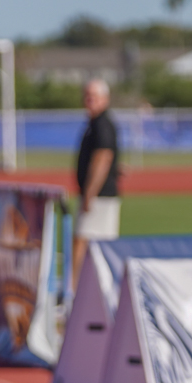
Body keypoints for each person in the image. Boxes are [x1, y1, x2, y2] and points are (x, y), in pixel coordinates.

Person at [71, 78, 122, 280]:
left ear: (105, 98)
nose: (89, 100)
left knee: (82, 242)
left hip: (99, 197)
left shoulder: (102, 123)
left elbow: (103, 156)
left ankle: (74, 292)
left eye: (94, 96)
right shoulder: (95, 123)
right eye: (87, 95)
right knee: (96, 245)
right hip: (98, 195)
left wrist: (89, 194)